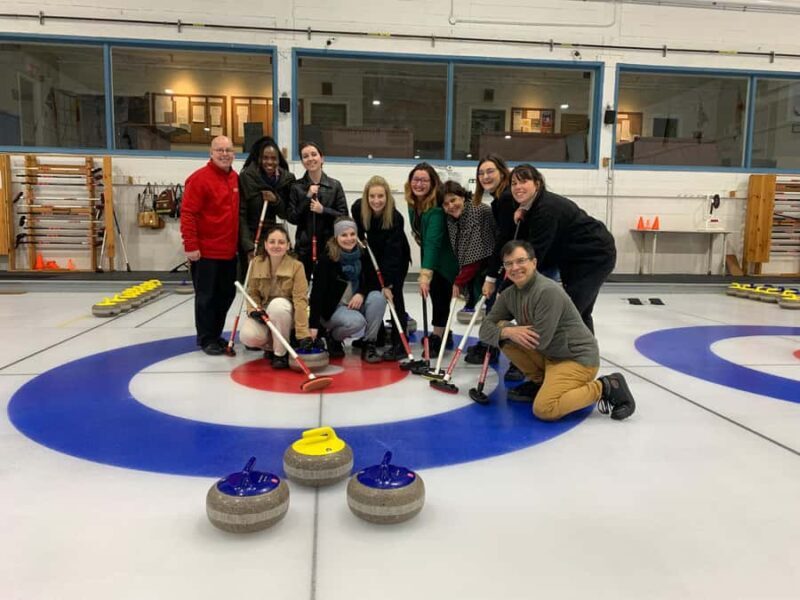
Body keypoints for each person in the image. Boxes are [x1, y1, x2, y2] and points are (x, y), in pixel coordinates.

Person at [479, 240, 635, 421]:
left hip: (576, 359)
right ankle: (541, 383)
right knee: (502, 331)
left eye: (521, 261)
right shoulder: (509, 295)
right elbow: (484, 330)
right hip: (550, 356)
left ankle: (606, 386)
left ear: (534, 263)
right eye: (509, 263)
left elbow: (540, 340)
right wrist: (507, 332)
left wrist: (507, 330)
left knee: (545, 408)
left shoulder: (547, 291)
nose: (515, 268)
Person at [486, 164, 615, 334]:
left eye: (523, 182)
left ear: (537, 183)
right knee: (579, 313)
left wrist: (505, 289)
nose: (518, 187)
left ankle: (574, 350)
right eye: (514, 183)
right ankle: (583, 350)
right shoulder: (532, 205)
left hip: (594, 256)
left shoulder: (547, 209)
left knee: (569, 313)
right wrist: (524, 212)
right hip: (572, 258)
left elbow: (534, 255)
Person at [180, 135, 240, 356]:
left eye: (228, 150)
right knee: (206, 298)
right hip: (205, 252)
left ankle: (216, 334)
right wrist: (190, 245)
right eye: (219, 150)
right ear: (211, 153)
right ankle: (206, 339)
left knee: (226, 295)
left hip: (229, 252)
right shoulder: (198, 179)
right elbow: (188, 214)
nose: (224, 154)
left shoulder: (234, 178)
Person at [308, 217, 387, 363]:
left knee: (378, 298)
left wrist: (361, 293)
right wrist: (313, 326)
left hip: (356, 303)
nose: (349, 239)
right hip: (334, 308)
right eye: (344, 235)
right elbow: (316, 294)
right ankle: (333, 337)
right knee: (357, 322)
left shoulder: (363, 254)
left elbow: (373, 280)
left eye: (352, 234)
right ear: (336, 237)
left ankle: (369, 343)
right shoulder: (327, 259)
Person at [351, 176, 412, 361]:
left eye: (380, 196)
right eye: (372, 196)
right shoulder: (358, 208)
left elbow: (393, 255)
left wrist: (388, 284)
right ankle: (376, 336)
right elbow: (359, 232)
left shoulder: (395, 218)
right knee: (373, 291)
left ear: (387, 197)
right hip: (372, 256)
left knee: (394, 297)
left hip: (396, 259)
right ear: (366, 196)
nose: (376, 201)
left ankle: (400, 344)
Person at [239, 225, 311, 369]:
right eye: (272, 242)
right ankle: (274, 345)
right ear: (266, 244)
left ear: (288, 245)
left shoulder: (297, 266)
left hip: (286, 313)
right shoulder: (256, 263)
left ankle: (280, 354)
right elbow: (253, 293)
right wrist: (253, 310)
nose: (276, 246)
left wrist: (302, 333)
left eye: (281, 242)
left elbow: (300, 301)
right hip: (265, 313)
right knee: (247, 336)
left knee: (277, 305)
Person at [441, 180, 497, 360]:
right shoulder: (452, 219)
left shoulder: (476, 211)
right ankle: (486, 344)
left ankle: (490, 350)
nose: (451, 206)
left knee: (493, 309)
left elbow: (475, 253)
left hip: (494, 266)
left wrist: (458, 282)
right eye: (446, 204)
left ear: (463, 197)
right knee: (489, 307)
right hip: (481, 269)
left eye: (453, 200)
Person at [405, 163, 457, 356]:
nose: (419, 184)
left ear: (433, 183)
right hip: (431, 256)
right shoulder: (414, 203)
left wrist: (425, 275)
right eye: (416, 179)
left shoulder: (435, 209)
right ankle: (444, 332)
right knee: (437, 296)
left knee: (439, 295)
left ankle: (437, 337)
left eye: (424, 180)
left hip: (444, 261)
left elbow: (433, 242)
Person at [288, 141, 347, 282]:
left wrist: (323, 210)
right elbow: (292, 217)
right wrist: (307, 197)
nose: (310, 159)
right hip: (304, 247)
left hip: (329, 246)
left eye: (314, 154)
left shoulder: (335, 185)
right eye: (305, 156)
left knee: (326, 287)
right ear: (302, 162)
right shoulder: (296, 187)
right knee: (301, 286)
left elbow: (344, 217)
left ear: (322, 158)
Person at [237, 136, 295, 277]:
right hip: (252, 236)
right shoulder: (247, 178)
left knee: (272, 280)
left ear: (279, 160)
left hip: (272, 238)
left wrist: (276, 200)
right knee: (251, 281)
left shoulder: (286, 179)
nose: (269, 162)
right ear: (259, 159)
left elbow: (286, 214)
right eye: (265, 158)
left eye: (273, 158)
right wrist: (248, 247)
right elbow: (241, 215)